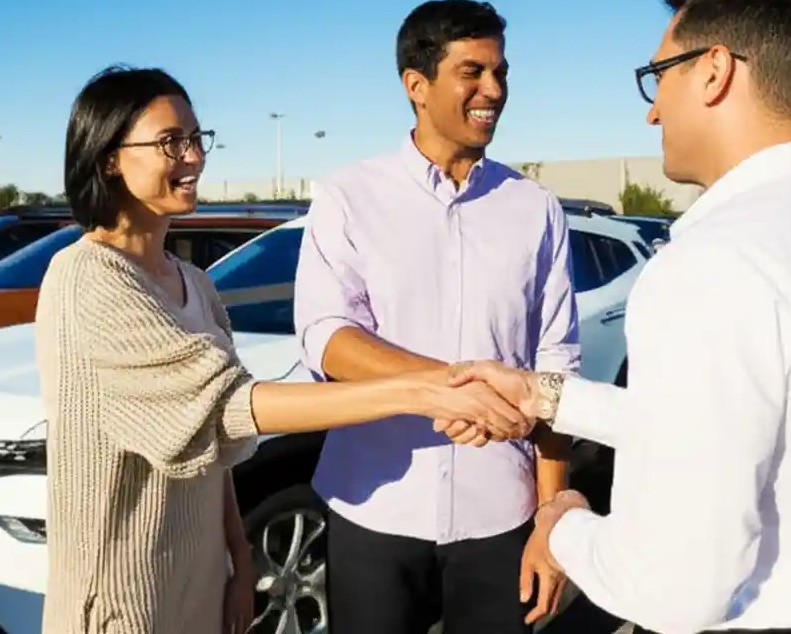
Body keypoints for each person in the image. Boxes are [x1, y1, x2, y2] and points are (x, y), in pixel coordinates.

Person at [447, 0, 791, 634]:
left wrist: (565, 526)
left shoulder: (718, 260)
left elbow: (675, 588)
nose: (652, 108)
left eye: (658, 75)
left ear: (714, 70)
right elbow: (740, 428)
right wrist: (544, 396)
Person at [34, 65, 527, 634]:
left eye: (197, 139)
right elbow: (229, 406)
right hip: (124, 599)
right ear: (108, 159)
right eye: (171, 142)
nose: (193, 157)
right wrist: (422, 391)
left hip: (199, 582)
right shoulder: (85, 277)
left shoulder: (193, 283)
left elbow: (206, 441)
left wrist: (238, 560)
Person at [293, 0, 580, 633]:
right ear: (416, 86)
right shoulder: (349, 197)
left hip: (502, 515)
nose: (494, 91)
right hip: (375, 507)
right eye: (473, 72)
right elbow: (328, 338)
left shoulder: (535, 209)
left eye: (502, 72)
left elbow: (557, 365)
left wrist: (550, 515)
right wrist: (455, 390)